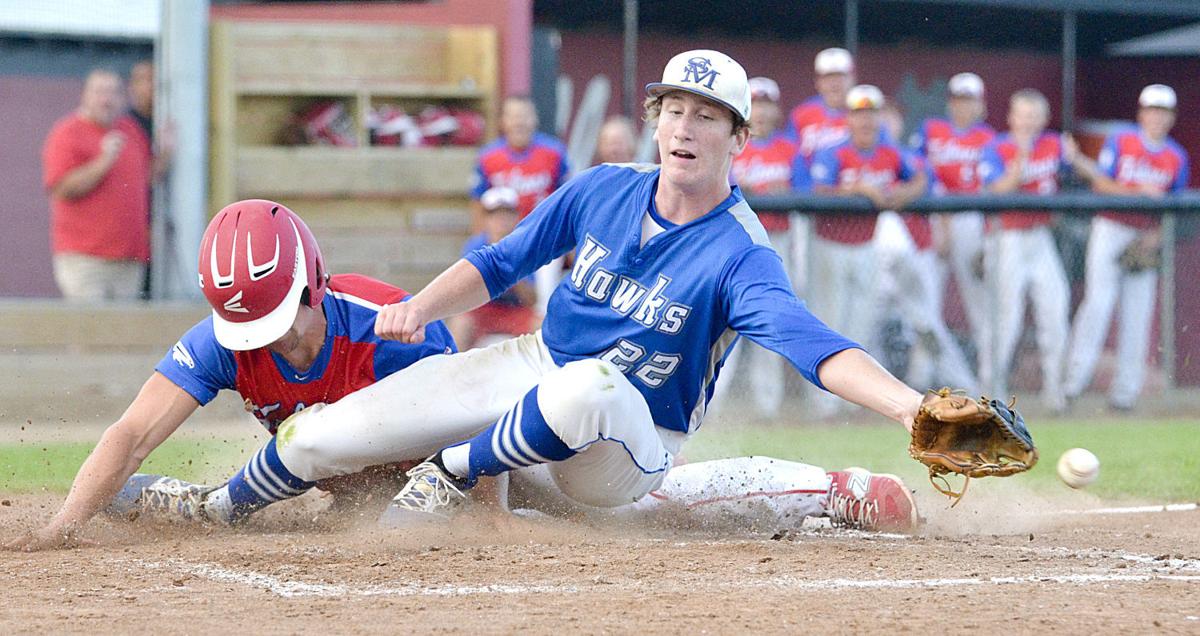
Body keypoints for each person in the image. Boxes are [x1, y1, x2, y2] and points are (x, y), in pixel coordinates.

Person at [258, 50, 927, 534]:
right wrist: (419, 307)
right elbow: (502, 260)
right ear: (655, 122)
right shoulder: (603, 186)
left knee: (593, 396)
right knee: (318, 438)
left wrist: (909, 407)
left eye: (706, 116)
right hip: (534, 373)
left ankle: (452, 470)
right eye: (673, 110)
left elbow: (811, 345)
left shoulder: (740, 253)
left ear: (740, 139)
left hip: (627, 441)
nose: (684, 127)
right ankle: (218, 505)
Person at [3, 200, 456, 551]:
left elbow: (469, 423)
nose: (262, 339)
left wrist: (475, 503)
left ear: (312, 284)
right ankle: (216, 505)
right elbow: (133, 433)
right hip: (355, 489)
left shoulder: (391, 327)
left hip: (439, 481)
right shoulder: (224, 340)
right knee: (311, 443)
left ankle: (217, 505)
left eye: (273, 320)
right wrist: (62, 526)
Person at [1064, 84, 1189, 411]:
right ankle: (1072, 384)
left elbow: (1175, 208)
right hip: (1111, 227)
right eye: (1152, 110)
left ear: (1171, 117)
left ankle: (1125, 394)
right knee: (1098, 304)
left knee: (1138, 314)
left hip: (1144, 236)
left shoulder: (1176, 156)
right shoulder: (1122, 140)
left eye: (1163, 112)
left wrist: (1154, 238)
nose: (1157, 117)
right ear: (1141, 113)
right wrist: (1139, 192)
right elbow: (1102, 183)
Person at [807, 85, 928, 416]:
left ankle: (851, 403)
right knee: (829, 323)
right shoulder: (833, 151)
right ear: (849, 119)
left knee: (861, 326)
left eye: (871, 114)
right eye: (859, 114)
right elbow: (818, 192)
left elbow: (919, 179)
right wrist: (858, 190)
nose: (865, 121)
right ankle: (822, 406)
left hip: (867, 245)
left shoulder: (889, 152)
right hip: (830, 245)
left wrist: (901, 194)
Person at [978, 89, 1092, 412]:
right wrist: (1022, 154)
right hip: (1006, 236)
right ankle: (990, 392)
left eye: (1034, 116)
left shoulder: (1053, 143)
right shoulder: (996, 147)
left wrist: (1075, 158)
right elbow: (999, 189)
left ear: (1044, 119)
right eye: (1023, 116)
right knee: (1005, 317)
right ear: (1011, 117)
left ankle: (1055, 391)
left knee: (1055, 309)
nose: (1028, 122)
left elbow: (1088, 176)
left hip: (1040, 236)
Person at [719, 76, 808, 419]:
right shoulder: (729, 143)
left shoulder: (789, 147)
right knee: (723, 323)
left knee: (770, 319)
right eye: (757, 104)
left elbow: (806, 191)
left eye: (768, 104)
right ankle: (712, 404)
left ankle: (767, 405)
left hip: (778, 240)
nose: (763, 112)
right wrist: (757, 189)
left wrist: (779, 191)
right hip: (732, 241)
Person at [911, 72, 997, 388]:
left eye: (969, 100)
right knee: (926, 300)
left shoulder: (988, 138)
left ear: (980, 105)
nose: (963, 106)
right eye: (958, 100)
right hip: (934, 217)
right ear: (950, 103)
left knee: (980, 304)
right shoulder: (931, 130)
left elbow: (993, 188)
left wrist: (988, 239)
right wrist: (941, 219)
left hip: (971, 219)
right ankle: (921, 378)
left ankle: (990, 378)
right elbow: (916, 171)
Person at [42, 68, 152, 301]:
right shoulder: (67, 133)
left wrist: (168, 153)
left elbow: (146, 176)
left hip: (129, 259)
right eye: (100, 92)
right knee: (90, 323)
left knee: (125, 325)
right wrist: (104, 160)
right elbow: (62, 189)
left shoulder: (130, 129)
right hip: (86, 259)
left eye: (113, 92)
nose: (106, 99)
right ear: (84, 95)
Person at [472, 95, 571, 316]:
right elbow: (477, 203)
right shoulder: (488, 155)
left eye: (524, 116)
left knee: (543, 302)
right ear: (503, 121)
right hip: (504, 238)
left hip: (543, 239)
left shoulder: (554, 152)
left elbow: (569, 201)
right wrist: (481, 236)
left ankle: (544, 326)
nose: (519, 122)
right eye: (513, 116)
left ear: (535, 119)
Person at [448, 187, 538, 349]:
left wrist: (511, 272)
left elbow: (531, 300)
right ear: (485, 219)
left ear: (517, 217)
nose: (501, 220)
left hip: (515, 310)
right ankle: (451, 364)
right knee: (460, 324)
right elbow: (463, 291)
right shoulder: (475, 246)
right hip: (482, 309)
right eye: (494, 214)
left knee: (542, 326)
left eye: (507, 214)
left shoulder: (524, 248)